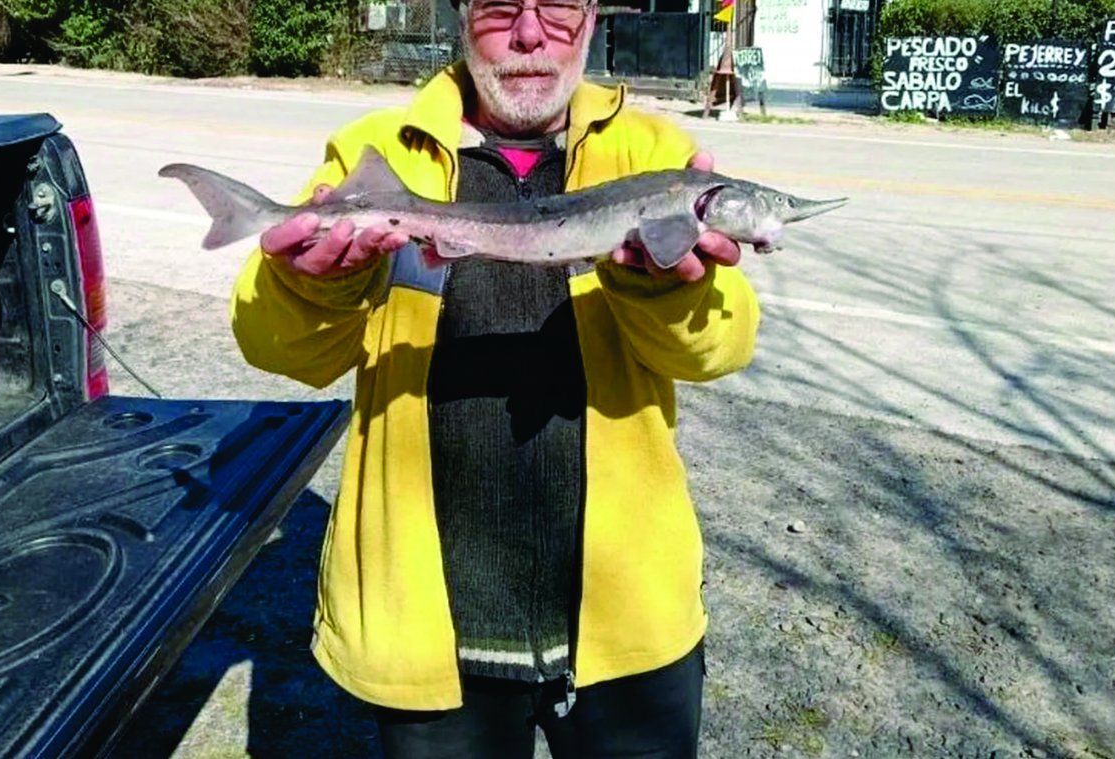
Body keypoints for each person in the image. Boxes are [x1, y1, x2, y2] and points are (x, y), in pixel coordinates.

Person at [230, 0, 761, 755]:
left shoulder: (656, 155)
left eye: (557, 7)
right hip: (433, 631)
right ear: (458, 13)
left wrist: (663, 285)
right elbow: (281, 351)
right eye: (501, 7)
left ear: (593, 16)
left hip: (627, 614)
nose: (528, 35)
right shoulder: (376, 154)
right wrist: (313, 286)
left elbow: (720, 350)